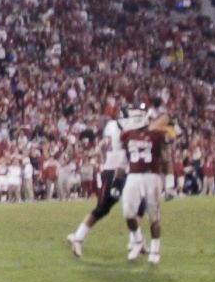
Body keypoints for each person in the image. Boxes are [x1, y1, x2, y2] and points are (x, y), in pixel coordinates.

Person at [118, 107, 178, 264]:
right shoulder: (127, 135)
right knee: (128, 213)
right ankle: (138, 241)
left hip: (152, 175)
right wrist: (117, 183)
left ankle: (155, 249)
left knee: (153, 216)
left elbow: (166, 159)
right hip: (133, 176)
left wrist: (170, 183)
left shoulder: (157, 135)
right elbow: (124, 160)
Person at [65, 113, 130, 257]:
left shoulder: (111, 126)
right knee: (102, 208)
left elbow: (103, 143)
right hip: (117, 171)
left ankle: (137, 241)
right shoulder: (123, 129)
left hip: (117, 169)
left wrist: (101, 153)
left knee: (135, 206)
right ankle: (78, 238)